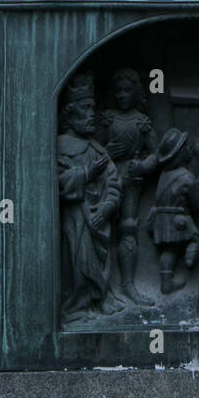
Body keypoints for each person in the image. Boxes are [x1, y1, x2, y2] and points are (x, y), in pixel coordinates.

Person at [57, 74, 123, 317]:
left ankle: (101, 296)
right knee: (76, 263)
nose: (91, 114)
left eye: (92, 108)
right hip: (76, 219)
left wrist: (107, 206)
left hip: (100, 220)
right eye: (85, 109)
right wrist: (86, 173)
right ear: (70, 114)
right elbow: (58, 183)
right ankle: (77, 304)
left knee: (97, 260)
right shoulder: (60, 146)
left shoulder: (97, 147)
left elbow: (114, 180)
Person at [98, 68, 159, 305]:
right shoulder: (108, 119)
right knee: (103, 230)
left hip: (131, 182)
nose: (122, 95)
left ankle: (128, 284)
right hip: (105, 182)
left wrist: (143, 166)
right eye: (119, 91)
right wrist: (106, 153)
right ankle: (102, 285)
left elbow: (157, 154)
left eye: (127, 90)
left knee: (128, 228)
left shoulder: (142, 122)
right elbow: (89, 150)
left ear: (136, 93)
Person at [147, 128, 199, 294]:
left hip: (161, 218)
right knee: (197, 240)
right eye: (186, 147)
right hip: (178, 219)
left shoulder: (165, 174)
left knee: (169, 250)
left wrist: (198, 156)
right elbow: (197, 203)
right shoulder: (186, 178)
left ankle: (166, 281)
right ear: (179, 154)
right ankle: (191, 254)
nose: (189, 148)